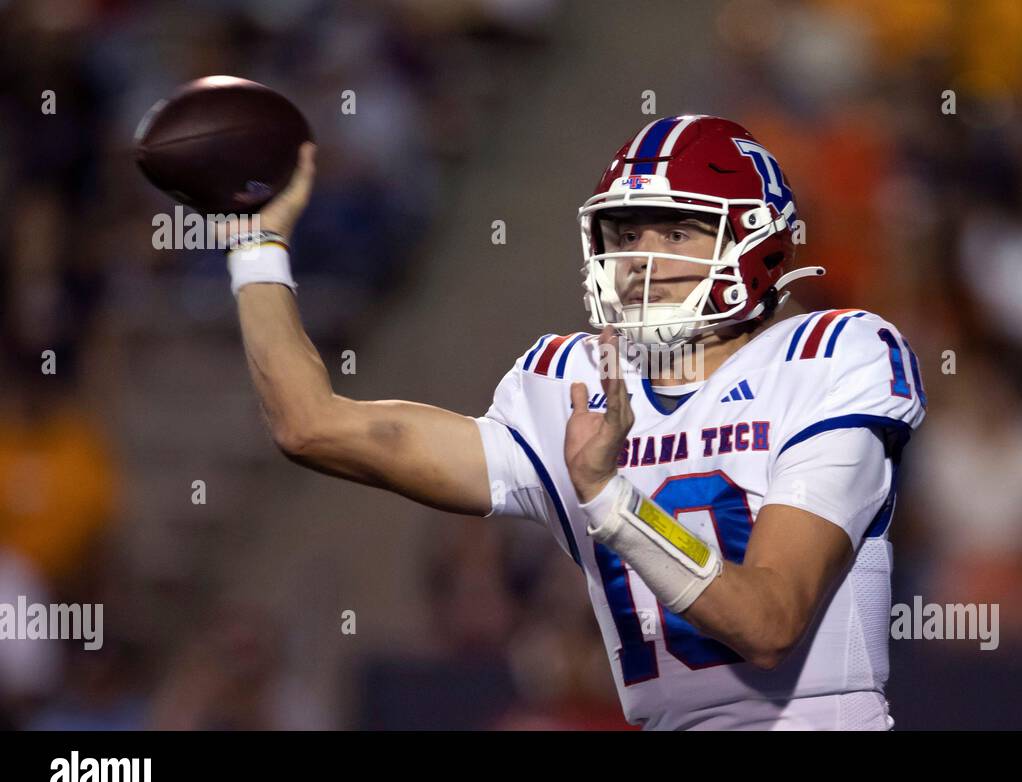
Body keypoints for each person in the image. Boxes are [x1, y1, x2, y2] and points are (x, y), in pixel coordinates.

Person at [228, 115, 925, 729]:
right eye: (625, 233)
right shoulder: (576, 382)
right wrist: (255, 248)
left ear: (754, 243)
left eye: (675, 229)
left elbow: (769, 621)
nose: (638, 260)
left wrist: (610, 498)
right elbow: (309, 426)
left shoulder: (829, 356)